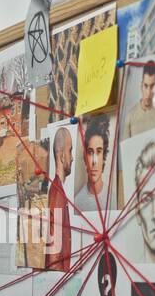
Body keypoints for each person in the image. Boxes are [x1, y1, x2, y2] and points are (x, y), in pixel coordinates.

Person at [45, 126, 72, 271]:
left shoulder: (58, 190)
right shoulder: (57, 194)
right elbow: (55, 252)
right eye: (70, 151)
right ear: (61, 156)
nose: (72, 158)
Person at [75, 115, 112, 211]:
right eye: (90, 152)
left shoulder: (113, 198)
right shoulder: (77, 202)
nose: (94, 162)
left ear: (104, 156)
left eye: (99, 151)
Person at [124, 61, 155, 140]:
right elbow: (126, 150)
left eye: (152, 86)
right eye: (146, 86)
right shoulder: (130, 116)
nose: (148, 93)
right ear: (141, 86)